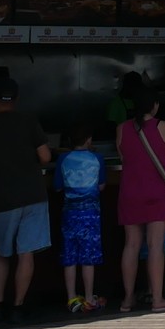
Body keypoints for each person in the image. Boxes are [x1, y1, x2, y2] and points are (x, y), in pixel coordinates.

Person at [0, 77, 52, 322]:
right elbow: (46, 157)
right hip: (33, 195)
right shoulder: (28, 121)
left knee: (2, 252)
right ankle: (18, 306)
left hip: (1, 197)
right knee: (25, 253)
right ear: (16, 99)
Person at [116, 84, 165, 311]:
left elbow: (122, 155)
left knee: (131, 245)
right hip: (156, 192)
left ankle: (127, 299)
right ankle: (157, 299)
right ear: (154, 105)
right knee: (155, 246)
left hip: (129, 192)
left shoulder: (122, 129)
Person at [56, 124, 106, 313]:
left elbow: (58, 186)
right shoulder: (97, 158)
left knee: (69, 256)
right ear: (88, 140)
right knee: (88, 256)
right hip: (91, 214)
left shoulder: (63, 158)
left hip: (69, 213)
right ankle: (89, 297)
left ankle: (71, 298)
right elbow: (101, 186)